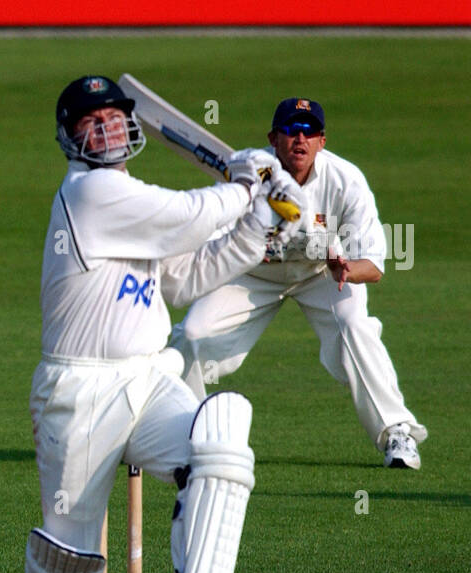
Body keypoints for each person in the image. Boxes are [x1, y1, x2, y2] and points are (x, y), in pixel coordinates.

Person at [13, 76, 306, 573]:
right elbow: (188, 215)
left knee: (221, 435)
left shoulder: (130, 200)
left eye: (114, 118)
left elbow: (187, 276)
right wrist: (247, 181)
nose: (105, 130)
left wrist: (257, 228)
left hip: (146, 381)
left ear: (131, 127)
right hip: (78, 392)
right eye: (89, 123)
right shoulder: (90, 194)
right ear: (70, 139)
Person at [169, 98, 426, 469]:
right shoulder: (248, 174)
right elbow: (216, 236)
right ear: (274, 139)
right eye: (291, 131)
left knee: (354, 327)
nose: (300, 139)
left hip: (322, 274)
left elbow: (374, 265)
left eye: (309, 132)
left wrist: (345, 269)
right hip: (252, 272)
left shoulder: (346, 180)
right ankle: (187, 430)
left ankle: (397, 433)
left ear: (322, 141)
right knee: (192, 333)